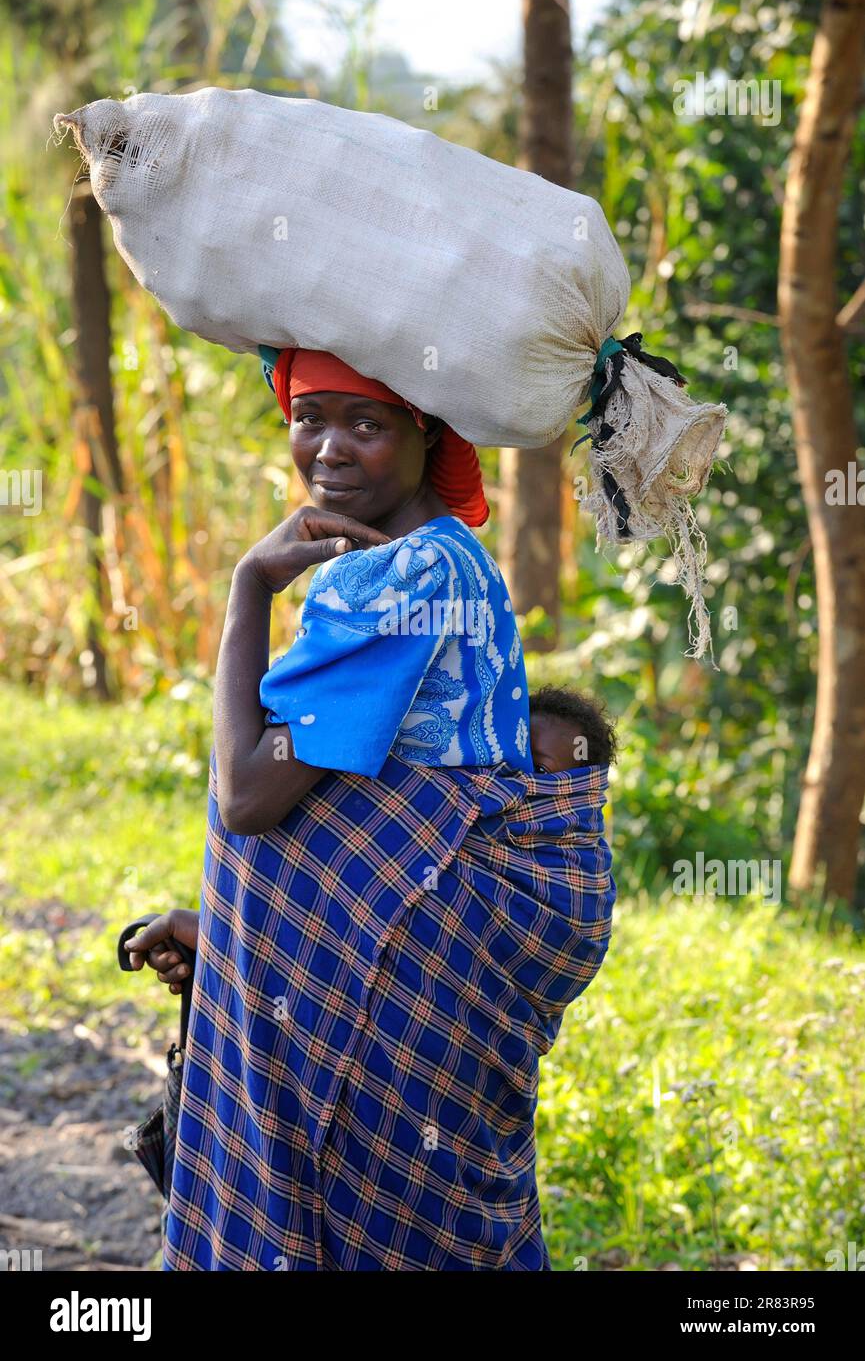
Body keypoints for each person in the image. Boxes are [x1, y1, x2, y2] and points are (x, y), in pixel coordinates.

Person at [126, 346, 616, 1271]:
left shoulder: (398, 578)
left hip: (398, 987)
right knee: (422, 1220)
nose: (329, 449)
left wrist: (248, 589)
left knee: (360, 1215)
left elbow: (251, 794)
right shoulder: (453, 559)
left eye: (367, 423)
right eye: (310, 417)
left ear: (424, 433)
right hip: (415, 975)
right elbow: (374, 812)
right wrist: (232, 938)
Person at [128, 690, 619, 989]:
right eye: (513, 750)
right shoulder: (440, 818)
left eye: (541, 766)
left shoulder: (569, 889)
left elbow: (416, 958)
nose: (517, 772)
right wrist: (213, 933)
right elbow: (345, 928)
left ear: (576, 793)